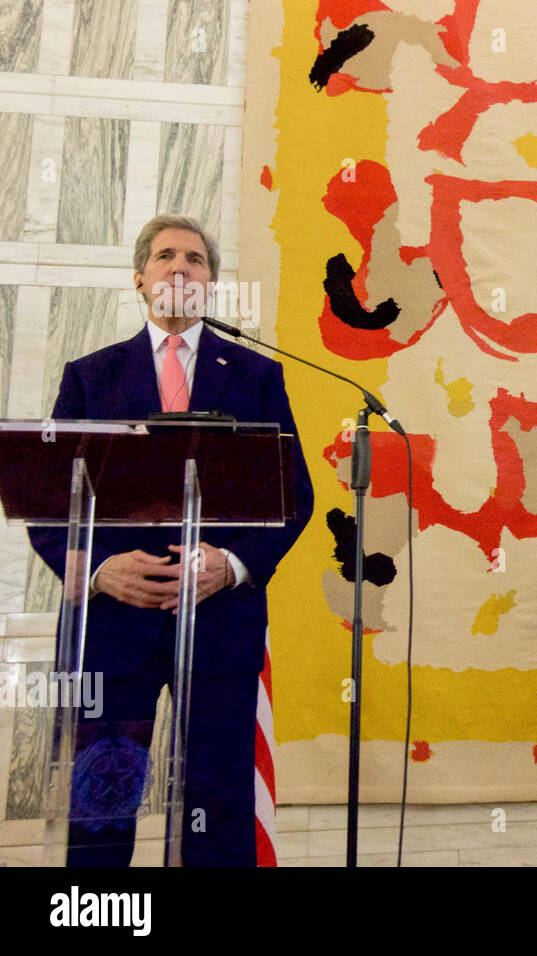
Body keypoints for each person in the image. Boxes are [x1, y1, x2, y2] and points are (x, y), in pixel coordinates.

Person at [28, 214, 315, 866]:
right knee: (101, 812)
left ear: (211, 282)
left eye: (195, 258)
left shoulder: (254, 377)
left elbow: (293, 499)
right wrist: (100, 570)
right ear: (140, 279)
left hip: (218, 629)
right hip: (110, 629)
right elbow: (48, 506)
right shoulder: (91, 378)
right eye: (165, 257)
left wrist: (231, 564)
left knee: (214, 811)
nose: (180, 267)